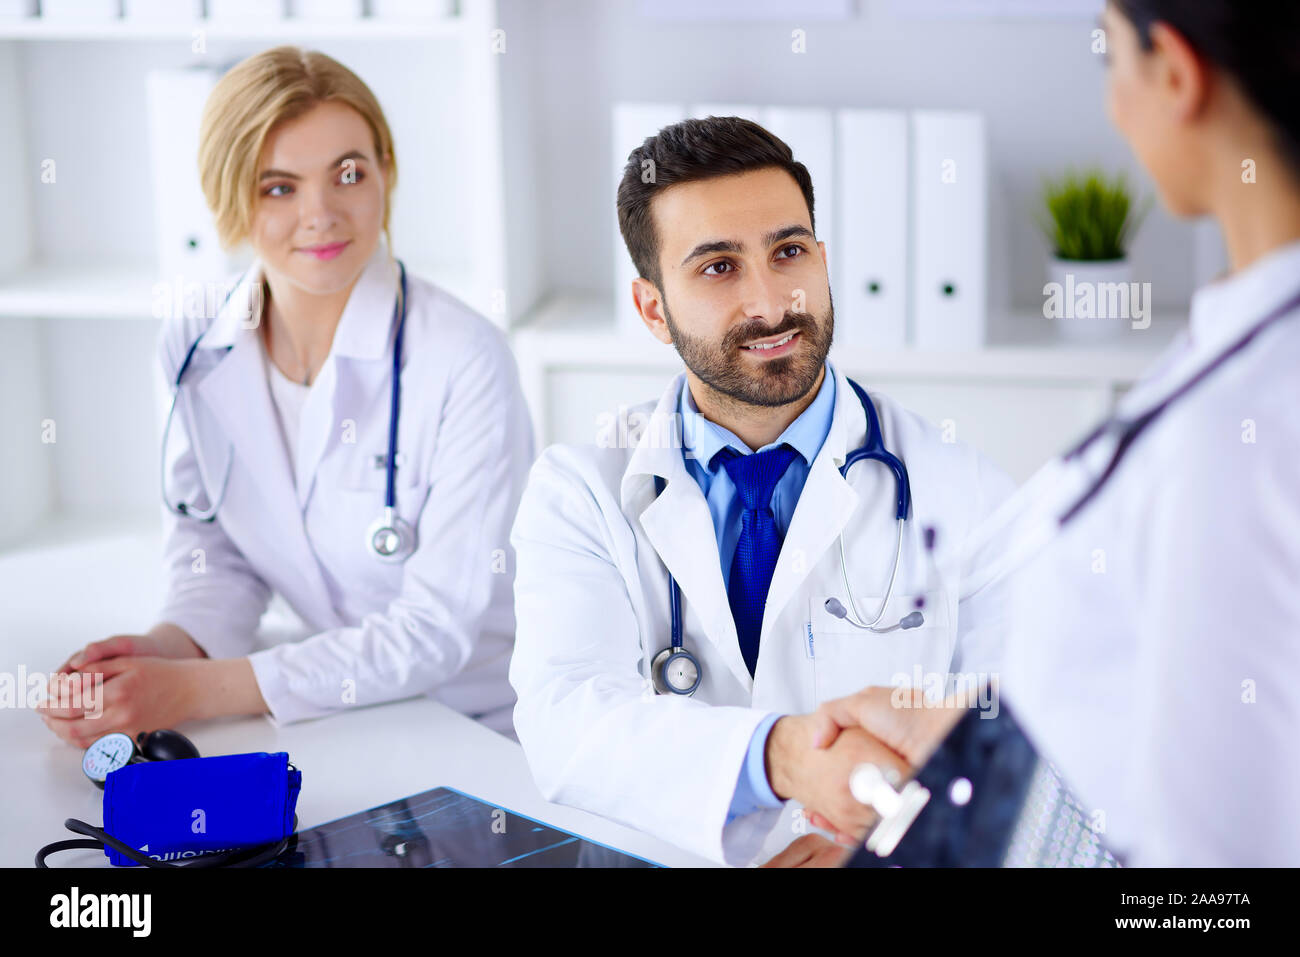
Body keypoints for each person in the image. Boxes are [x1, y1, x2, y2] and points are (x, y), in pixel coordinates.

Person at [811, 0, 1300, 866]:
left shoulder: (1240, 425)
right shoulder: (1248, 343)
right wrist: (977, 720)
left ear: (1178, 76)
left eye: (1110, 58)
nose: (1113, 104)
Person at [508, 116, 1015, 867]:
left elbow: (1028, 742)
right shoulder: (581, 492)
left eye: (789, 252)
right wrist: (779, 757)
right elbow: (567, 721)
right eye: (718, 267)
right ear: (653, 309)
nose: (772, 302)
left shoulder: (964, 491)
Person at [38, 47, 534, 745]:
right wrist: (167, 649)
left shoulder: (463, 359)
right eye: (280, 187)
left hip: (473, 719)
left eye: (349, 174)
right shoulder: (196, 342)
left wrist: (191, 689)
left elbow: (434, 632)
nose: (321, 214)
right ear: (228, 196)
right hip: (321, 712)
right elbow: (216, 552)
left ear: (386, 174)